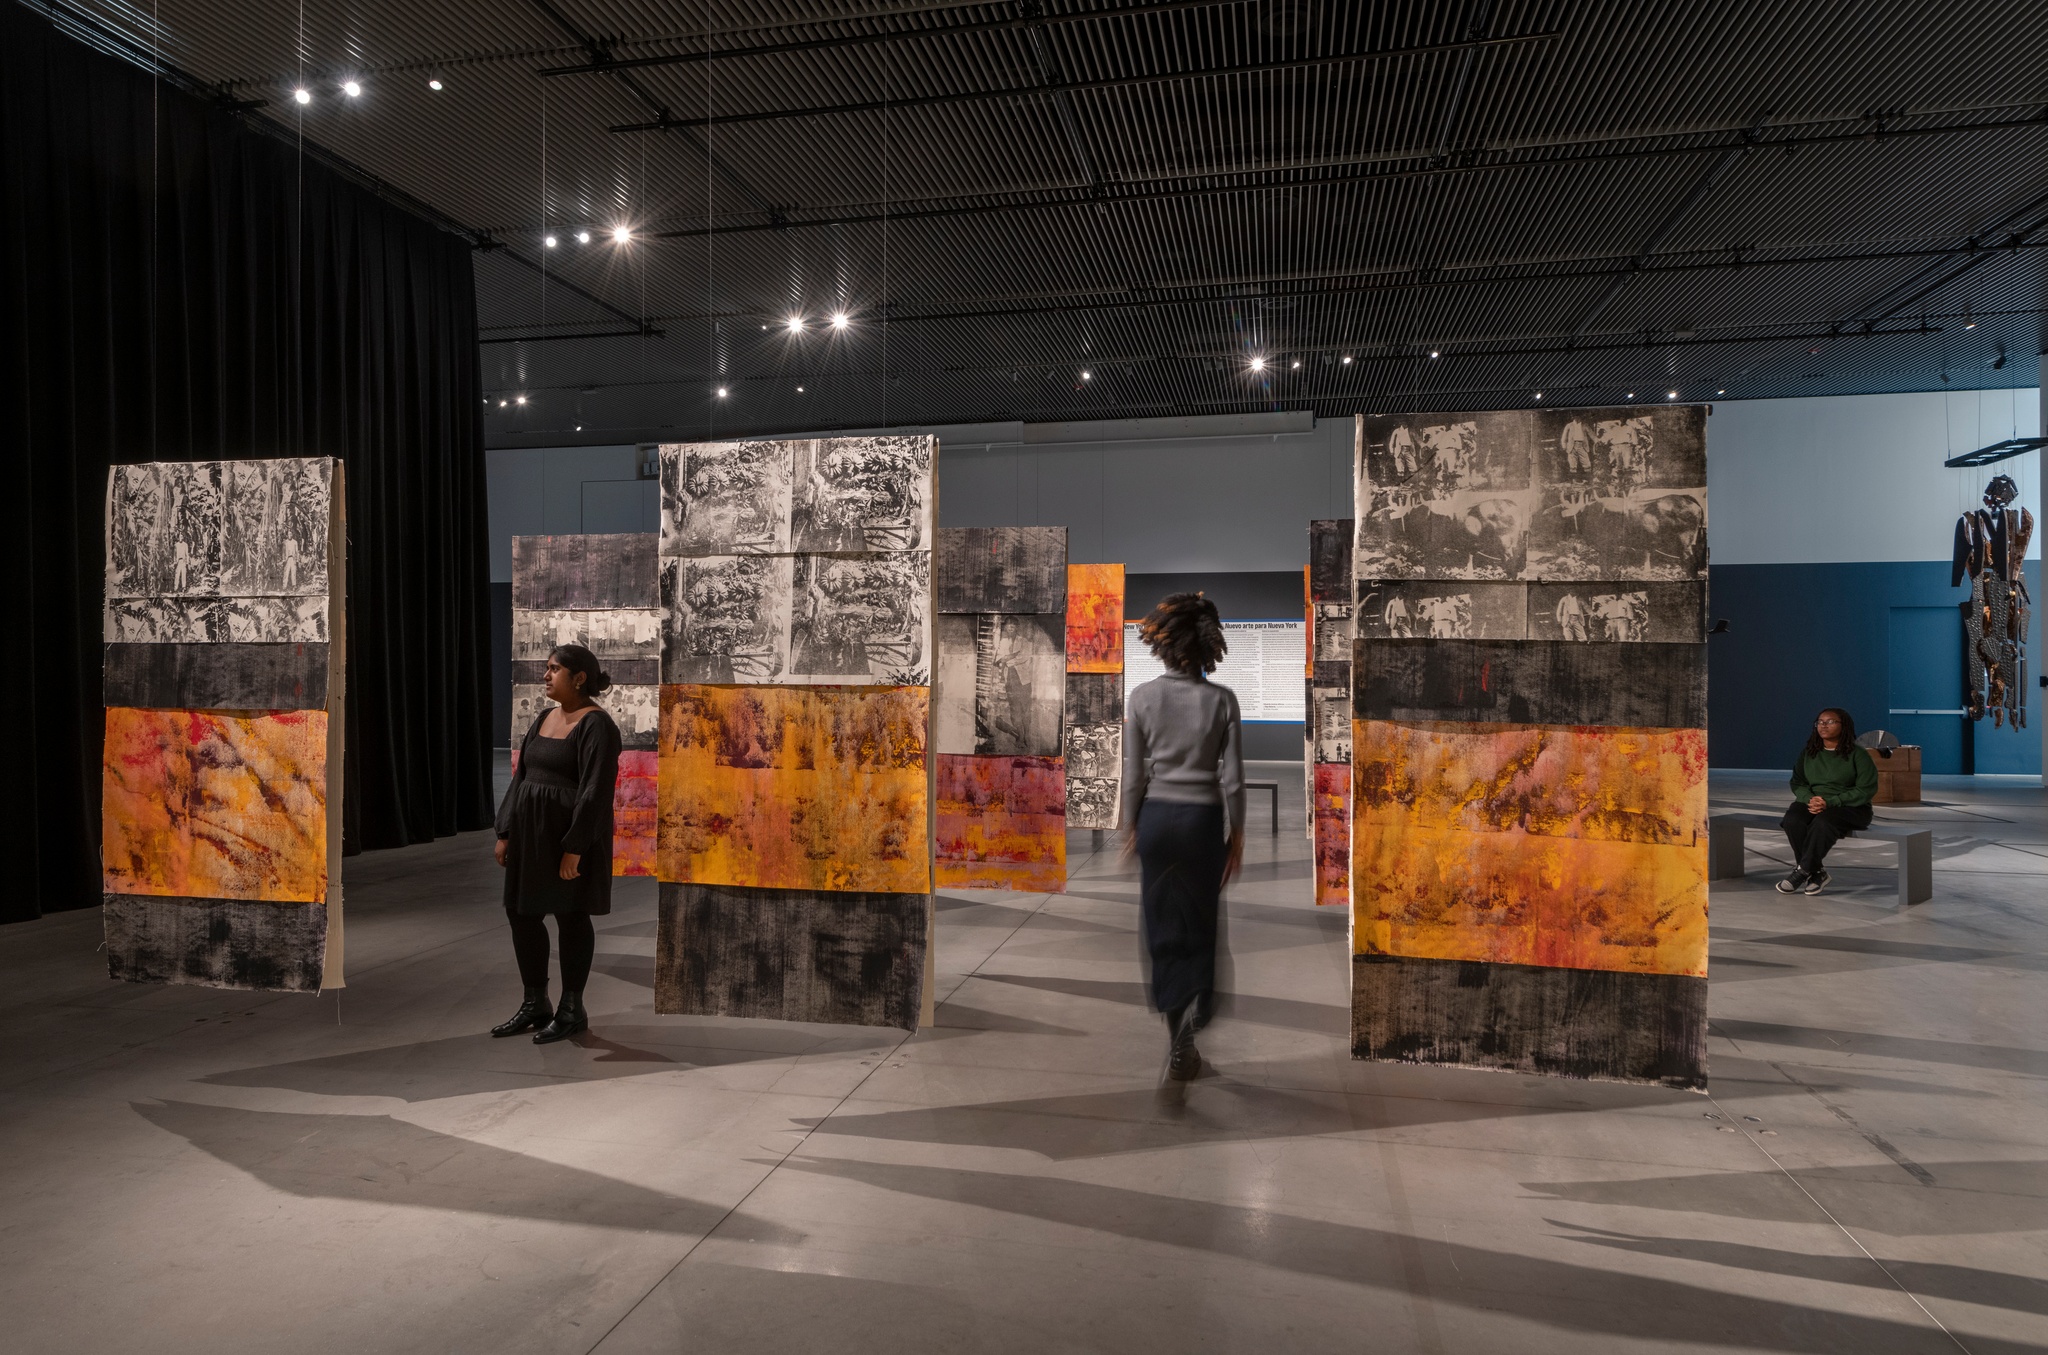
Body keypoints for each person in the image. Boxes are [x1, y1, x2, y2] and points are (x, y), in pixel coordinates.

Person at [1119, 593, 1246, 1081]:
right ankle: (1197, 1012)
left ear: (1162, 643)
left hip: (1156, 821)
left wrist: (1132, 827)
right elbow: (1233, 780)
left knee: (1161, 925)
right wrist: (1237, 836)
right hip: (1201, 824)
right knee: (1200, 923)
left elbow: (1134, 776)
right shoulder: (1222, 701)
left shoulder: (1143, 698)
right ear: (1208, 645)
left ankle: (1179, 1042)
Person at [492, 644, 623, 1043]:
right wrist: (506, 830)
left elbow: (596, 791)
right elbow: (523, 775)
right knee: (521, 912)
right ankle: (536, 1002)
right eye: (546, 669)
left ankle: (571, 1008)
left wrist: (575, 846)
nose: (545, 676)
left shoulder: (597, 725)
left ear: (579, 677)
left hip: (568, 837)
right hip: (532, 834)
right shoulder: (546, 717)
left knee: (571, 915)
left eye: (553, 669)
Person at [1777, 708, 1878, 896]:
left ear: (1844, 726)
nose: (1823, 725)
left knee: (1823, 822)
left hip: (1851, 807)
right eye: (1820, 722)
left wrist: (1830, 802)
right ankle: (1816, 873)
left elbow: (1865, 789)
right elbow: (1798, 782)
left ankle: (1802, 871)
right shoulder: (1809, 752)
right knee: (1793, 820)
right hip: (1814, 802)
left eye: (1830, 721)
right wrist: (1809, 799)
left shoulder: (1858, 754)